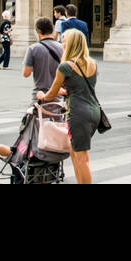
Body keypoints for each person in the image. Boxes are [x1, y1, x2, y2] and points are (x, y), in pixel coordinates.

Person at [37, 29, 102, 184]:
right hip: (94, 111)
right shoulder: (92, 63)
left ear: (71, 43)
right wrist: (66, 91)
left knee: (81, 158)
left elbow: (51, 94)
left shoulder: (65, 66)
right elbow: (82, 88)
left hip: (78, 113)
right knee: (74, 152)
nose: (61, 42)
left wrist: (42, 96)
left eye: (64, 39)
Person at [22, 16, 63, 103]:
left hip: (39, 94)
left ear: (38, 30)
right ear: (52, 29)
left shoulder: (33, 49)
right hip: (58, 93)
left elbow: (26, 73)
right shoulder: (62, 48)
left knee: (33, 115)